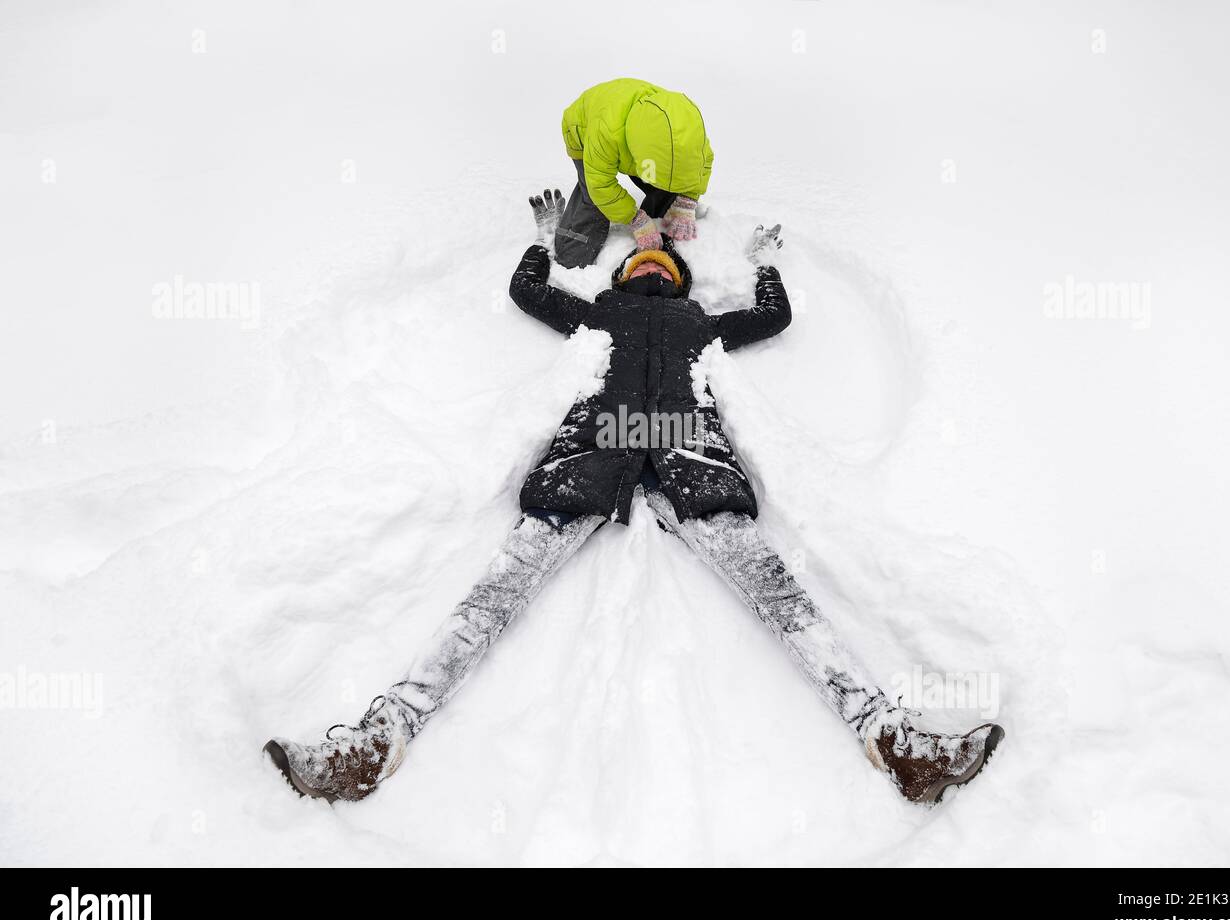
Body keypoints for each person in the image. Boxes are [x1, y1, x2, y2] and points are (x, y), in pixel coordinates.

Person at [263, 192, 1005, 806]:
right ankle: (378, 737)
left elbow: (773, 318)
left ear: (678, 278)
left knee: (785, 601)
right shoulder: (601, 314)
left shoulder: (699, 324)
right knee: (490, 601)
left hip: (691, 458)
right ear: (623, 277)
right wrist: (544, 242)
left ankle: (893, 739)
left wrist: (764, 264)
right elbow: (527, 293)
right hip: (593, 455)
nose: (651, 262)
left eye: (662, 258)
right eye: (640, 258)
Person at [552, 77, 712, 268]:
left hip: (640, 137)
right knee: (593, 202)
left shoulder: (688, 136)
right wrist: (635, 219)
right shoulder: (605, 132)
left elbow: (701, 165)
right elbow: (600, 185)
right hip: (582, 129)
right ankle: (569, 256)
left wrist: (687, 200)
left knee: (668, 188)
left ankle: (658, 223)